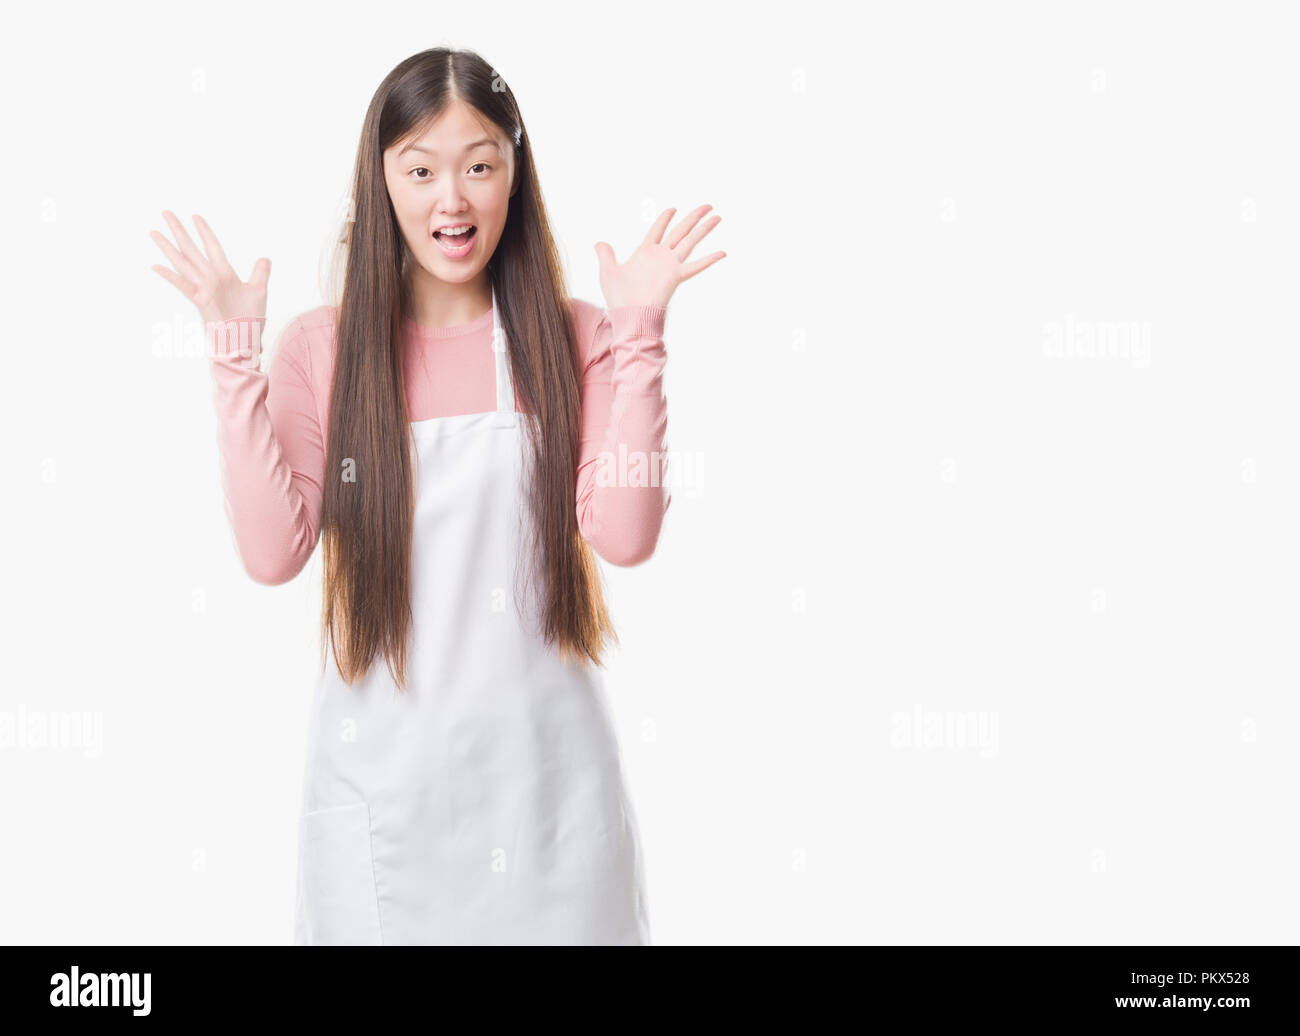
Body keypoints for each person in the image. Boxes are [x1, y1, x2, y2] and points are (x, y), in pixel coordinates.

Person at [149, 46, 725, 945]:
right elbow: (273, 555)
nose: (449, 200)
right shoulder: (323, 350)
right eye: (419, 170)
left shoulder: (576, 338)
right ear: (381, 184)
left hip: (550, 805)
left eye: (479, 166)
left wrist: (641, 333)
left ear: (513, 174)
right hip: (383, 811)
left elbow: (624, 534)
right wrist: (231, 350)